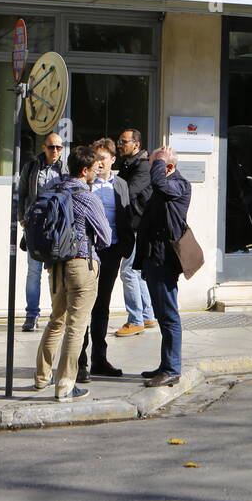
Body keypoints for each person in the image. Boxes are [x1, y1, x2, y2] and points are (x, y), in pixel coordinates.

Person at [33, 145, 111, 401]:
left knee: (56, 321)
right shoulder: (88, 198)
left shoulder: (52, 189)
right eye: (94, 168)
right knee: (76, 327)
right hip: (81, 264)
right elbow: (106, 237)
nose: (96, 172)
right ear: (85, 170)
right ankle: (66, 385)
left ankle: (42, 377)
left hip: (55, 265)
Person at [138, 146, 192, 388]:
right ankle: (165, 364)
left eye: (155, 166)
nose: (152, 170)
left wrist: (159, 161)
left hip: (164, 260)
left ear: (168, 167)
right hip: (153, 258)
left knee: (169, 316)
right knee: (161, 314)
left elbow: (159, 185)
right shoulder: (165, 185)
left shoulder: (179, 185)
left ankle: (172, 369)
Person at [76, 139, 130, 381]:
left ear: (112, 160)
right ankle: (80, 362)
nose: (99, 163)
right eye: (95, 158)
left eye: (103, 159)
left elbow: (126, 215)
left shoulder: (120, 185)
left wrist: (125, 247)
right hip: (89, 252)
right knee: (84, 306)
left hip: (112, 252)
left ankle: (100, 358)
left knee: (102, 307)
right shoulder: (86, 184)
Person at [15, 132, 67, 331]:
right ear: (43, 147)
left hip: (57, 228)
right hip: (35, 226)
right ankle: (31, 315)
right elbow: (21, 195)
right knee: (34, 272)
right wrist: (22, 219)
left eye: (59, 147)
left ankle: (57, 315)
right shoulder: (32, 167)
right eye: (51, 147)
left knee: (57, 273)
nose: (55, 151)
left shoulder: (65, 167)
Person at [112, 128, 157, 336]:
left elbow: (127, 193)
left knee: (128, 272)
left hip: (137, 226)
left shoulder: (143, 167)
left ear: (136, 145)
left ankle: (135, 319)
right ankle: (147, 316)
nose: (120, 144)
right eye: (119, 141)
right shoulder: (129, 164)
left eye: (124, 141)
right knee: (136, 273)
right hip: (135, 225)